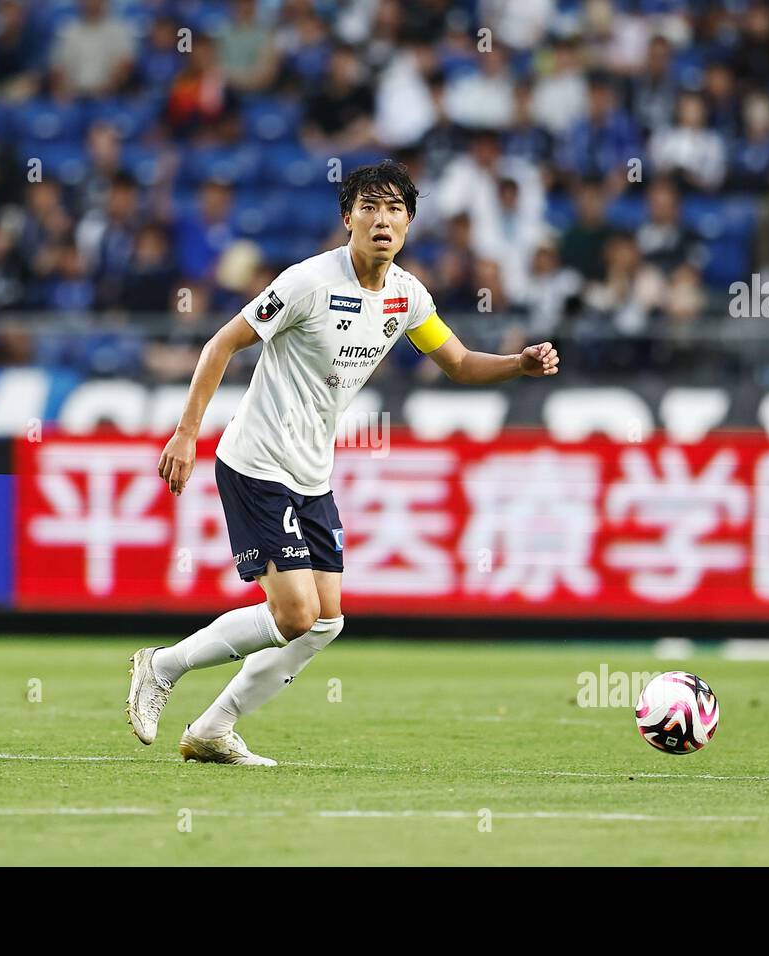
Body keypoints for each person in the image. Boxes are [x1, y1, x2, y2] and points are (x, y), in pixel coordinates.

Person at [126, 160, 560, 765]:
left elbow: (458, 363)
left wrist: (519, 364)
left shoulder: (407, 296)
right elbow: (221, 341)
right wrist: (185, 433)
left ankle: (212, 729)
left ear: (409, 222)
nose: (382, 220)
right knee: (296, 612)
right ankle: (161, 666)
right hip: (256, 462)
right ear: (347, 218)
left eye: (395, 210)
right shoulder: (307, 282)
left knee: (326, 621)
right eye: (369, 208)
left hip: (311, 473)